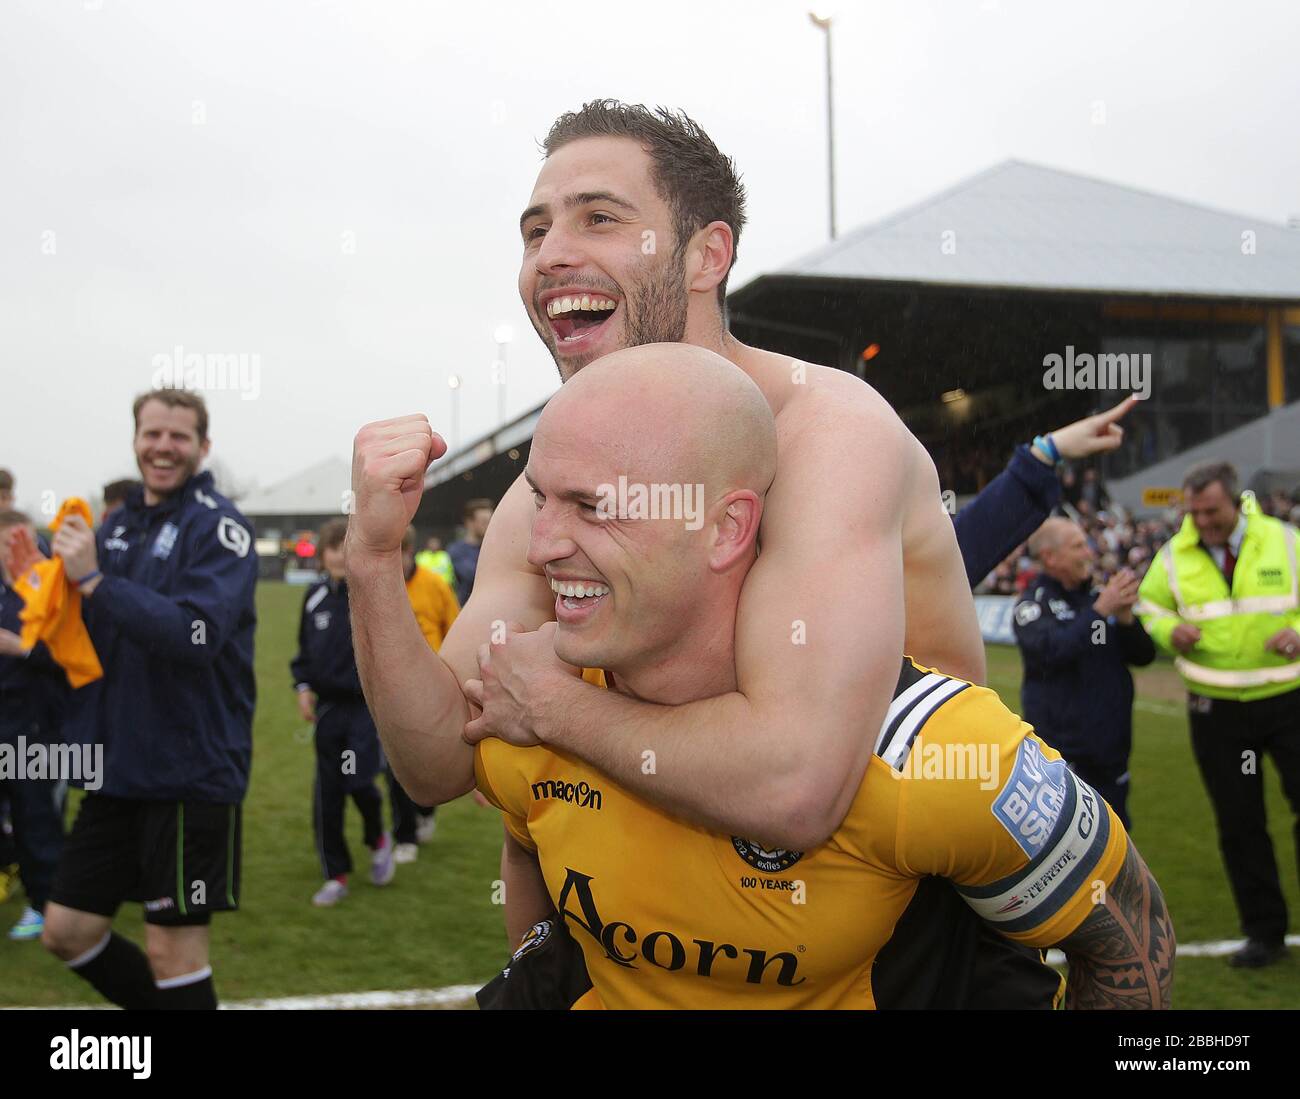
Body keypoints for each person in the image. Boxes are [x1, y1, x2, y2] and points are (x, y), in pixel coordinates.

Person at [464, 347, 1172, 1008]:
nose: (540, 545)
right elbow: (520, 843)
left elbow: (1126, 927)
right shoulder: (528, 700)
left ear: (725, 528)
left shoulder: (938, 753)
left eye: (593, 505)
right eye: (541, 502)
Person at [38, 388, 258, 1010]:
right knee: (67, 931)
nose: (163, 447)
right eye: (152, 434)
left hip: (189, 772)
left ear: (202, 446)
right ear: (136, 440)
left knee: (173, 953)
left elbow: (197, 634)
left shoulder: (219, 527)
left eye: (178, 437)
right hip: (117, 769)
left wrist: (95, 581)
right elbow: (83, 632)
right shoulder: (120, 524)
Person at [1137, 460, 1300, 969]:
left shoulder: (1285, 540)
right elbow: (1149, 606)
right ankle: (1264, 933)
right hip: (1217, 712)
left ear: (1235, 501)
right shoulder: (1172, 555)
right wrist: (1169, 633)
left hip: (1288, 698)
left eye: (1211, 511)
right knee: (1239, 822)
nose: (1202, 521)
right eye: (1194, 511)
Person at [1013, 517, 1155, 828]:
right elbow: (1053, 652)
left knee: (1119, 849)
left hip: (1112, 755)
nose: (1089, 553)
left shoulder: (1096, 598)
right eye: (1078, 546)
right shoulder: (1033, 606)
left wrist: (1127, 619)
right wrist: (1100, 613)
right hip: (1064, 760)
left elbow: (1144, 656)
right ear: (1050, 556)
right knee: (1068, 855)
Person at [290, 518, 396, 904]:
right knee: (327, 793)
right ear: (321, 555)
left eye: (345, 546)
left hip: (364, 709)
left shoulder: (369, 595)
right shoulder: (314, 596)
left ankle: (377, 837)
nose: (338, 554)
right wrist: (302, 687)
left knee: (358, 782)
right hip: (328, 711)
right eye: (332, 547)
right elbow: (303, 650)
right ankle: (335, 874)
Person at [0, 510, 70, 941]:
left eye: (17, 542)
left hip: (40, 727)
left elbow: (75, 658)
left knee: (37, 819)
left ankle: (45, 905)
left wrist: (23, 649)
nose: (10, 552)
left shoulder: (52, 596)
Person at [389, 526, 460, 862]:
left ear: (409, 551)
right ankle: (405, 836)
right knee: (392, 764)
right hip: (391, 691)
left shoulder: (434, 585)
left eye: (398, 554)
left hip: (432, 688)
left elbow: (456, 626)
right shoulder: (380, 588)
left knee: (427, 760)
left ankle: (426, 813)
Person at [447, 500, 494, 606]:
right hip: (464, 610)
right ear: (469, 522)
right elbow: (472, 575)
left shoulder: (492, 548)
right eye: (484, 522)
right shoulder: (456, 551)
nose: (489, 525)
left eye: (491, 521)